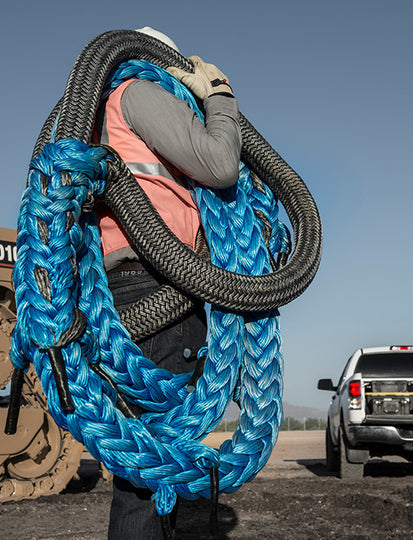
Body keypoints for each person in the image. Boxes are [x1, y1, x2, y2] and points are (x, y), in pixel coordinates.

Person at [95, 27, 242, 540]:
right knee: (152, 473)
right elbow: (221, 164)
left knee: (146, 469)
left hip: (128, 293)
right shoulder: (138, 93)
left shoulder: (98, 113)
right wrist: (219, 97)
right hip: (159, 290)